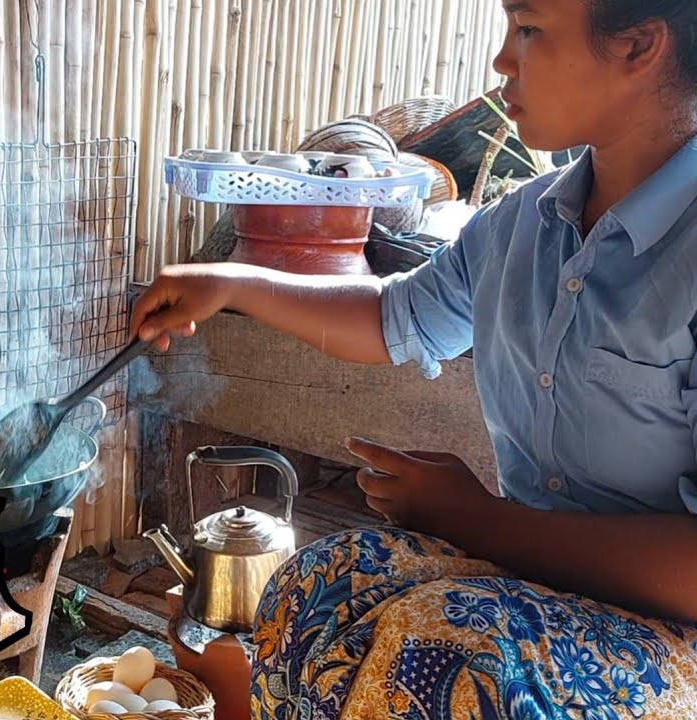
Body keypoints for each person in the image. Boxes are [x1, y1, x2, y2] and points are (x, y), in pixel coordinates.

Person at [130, 0, 697, 717]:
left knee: (438, 658)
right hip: (533, 577)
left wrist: (478, 520)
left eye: (529, 29)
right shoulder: (520, 225)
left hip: (672, 631)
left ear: (639, 46)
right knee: (313, 582)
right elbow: (393, 315)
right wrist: (231, 284)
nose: (502, 60)